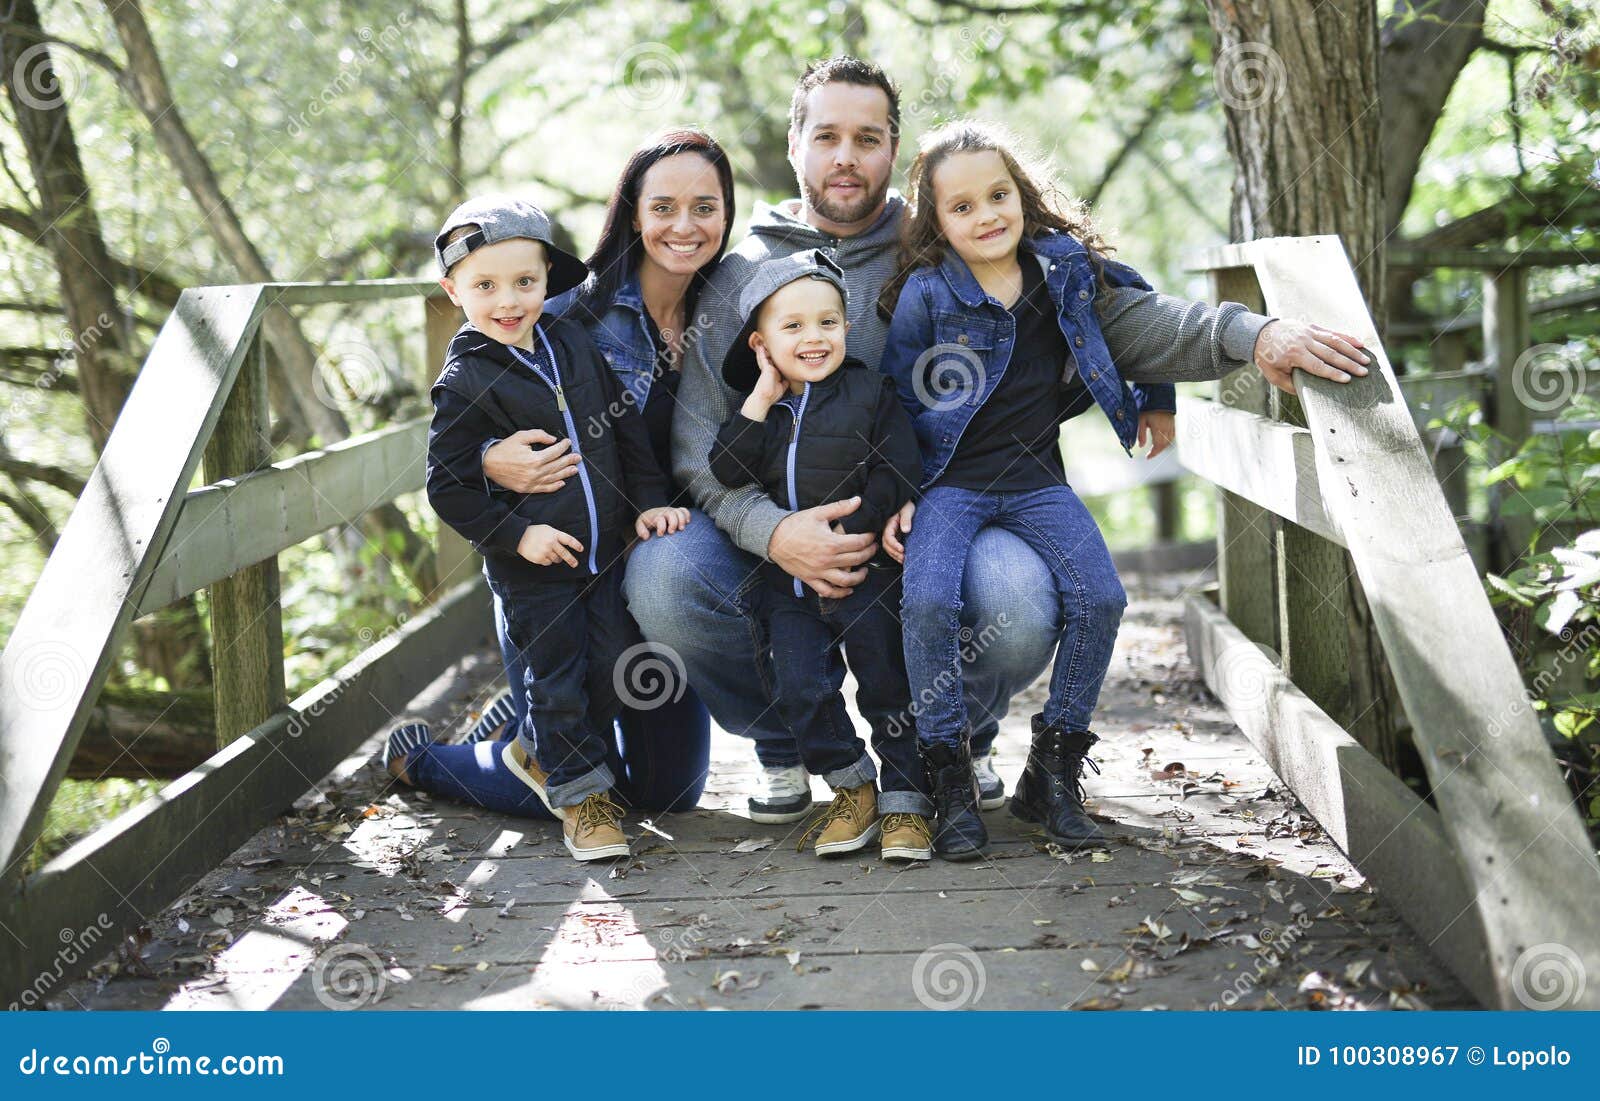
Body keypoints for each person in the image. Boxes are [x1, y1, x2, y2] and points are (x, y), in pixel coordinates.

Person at [626, 56, 1371, 831]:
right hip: (778, 532)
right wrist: (773, 532)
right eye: (827, 137)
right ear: (794, 144)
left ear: (894, 150)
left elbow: (1120, 309)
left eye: (868, 137)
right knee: (662, 574)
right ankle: (789, 743)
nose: (846, 156)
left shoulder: (943, 244)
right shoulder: (738, 269)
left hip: (938, 506)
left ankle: (958, 740)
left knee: (1016, 601)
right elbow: (695, 444)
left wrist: (1255, 335)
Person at [881, 120, 1372, 859]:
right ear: (937, 222)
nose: (986, 215)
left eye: (998, 195)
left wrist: (1162, 395)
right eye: (962, 207)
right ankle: (948, 775)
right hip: (950, 485)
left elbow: (1141, 312)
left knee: (1102, 597)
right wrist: (900, 489)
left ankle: (1052, 770)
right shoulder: (926, 293)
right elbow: (892, 398)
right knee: (926, 600)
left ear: (1022, 195)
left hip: (1036, 480)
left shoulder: (1065, 271)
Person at [388, 130, 735, 822]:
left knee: (668, 793)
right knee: (574, 766)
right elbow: (450, 459)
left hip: (645, 562)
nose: (684, 224)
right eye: (663, 205)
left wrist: (644, 503)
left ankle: (528, 721)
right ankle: (431, 757)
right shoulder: (572, 316)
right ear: (632, 214)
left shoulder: (736, 302)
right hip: (550, 571)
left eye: (705, 205)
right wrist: (490, 464)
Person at [424, 193, 691, 861]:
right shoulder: (463, 382)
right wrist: (517, 535)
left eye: (525, 281)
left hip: (606, 552)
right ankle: (580, 795)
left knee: (611, 662)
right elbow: (447, 486)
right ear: (453, 289)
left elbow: (625, 428)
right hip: (534, 569)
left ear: (548, 278)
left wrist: (648, 501)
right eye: (485, 285)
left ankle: (539, 750)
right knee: (556, 675)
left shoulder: (570, 341)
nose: (508, 300)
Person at [708, 251, 928, 860]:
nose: (814, 338)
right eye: (793, 327)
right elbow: (726, 469)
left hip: (864, 574)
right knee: (800, 687)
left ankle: (908, 799)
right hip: (789, 590)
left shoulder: (869, 391)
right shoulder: (764, 409)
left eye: (827, 323)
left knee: (886, 685)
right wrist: (760, 393)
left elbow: (899, 468)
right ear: (761, 343)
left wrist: (856, 531)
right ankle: (851, 785)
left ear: (846, 328)